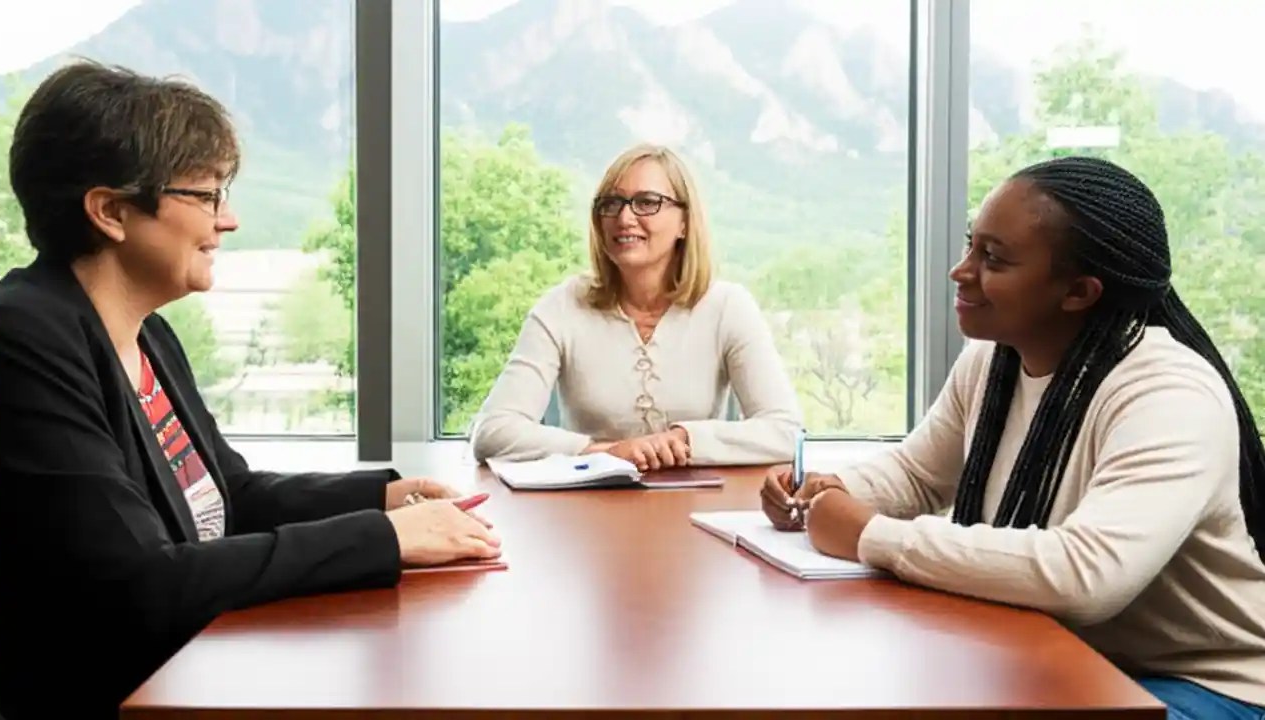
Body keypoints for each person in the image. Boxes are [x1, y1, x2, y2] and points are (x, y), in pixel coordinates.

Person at [0, 62, 501, 720]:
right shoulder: (18, 341)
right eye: (205, 196)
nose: (227, 220)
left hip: (186, 672)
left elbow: (232, 497)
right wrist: (386, 538)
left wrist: (384, 494)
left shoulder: (149, 337)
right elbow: (137, 584)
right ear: (110, 210)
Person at [763, 156, 1265, 719]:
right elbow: (918, 474)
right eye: (970, 245)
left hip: (1205, 686)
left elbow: (1086, 573)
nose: (961, 271)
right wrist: (824, 492)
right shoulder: (992, 361)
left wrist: (869, 535)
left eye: (993, 259)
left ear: (1078, 291)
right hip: (1064, 657)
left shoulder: (1169, 394)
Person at [468, 143, 802, 469]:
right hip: (585, 507)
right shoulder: (561, 307)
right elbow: (492, 431)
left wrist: (684, 440)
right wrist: (602, 452)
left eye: (647, 202)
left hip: (698, 508)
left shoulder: (729, 306)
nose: (625, 217)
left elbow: (785, 431)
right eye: (611, 203)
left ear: (685, 222)